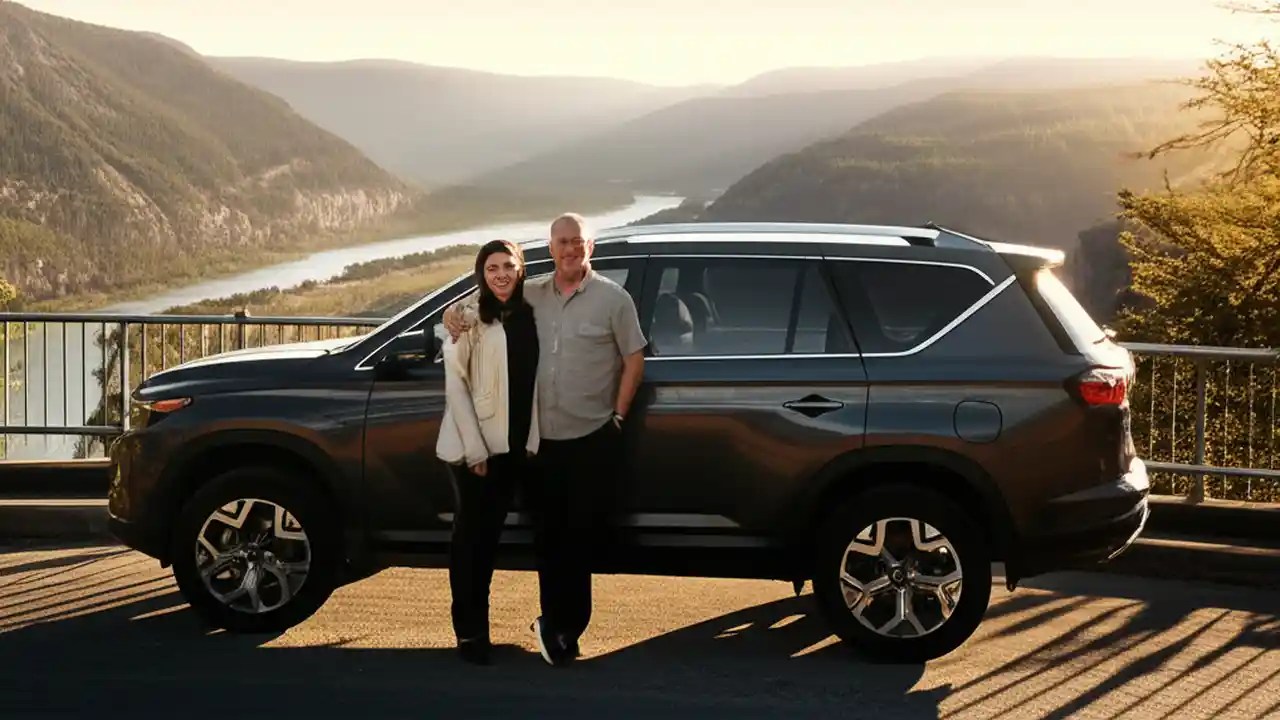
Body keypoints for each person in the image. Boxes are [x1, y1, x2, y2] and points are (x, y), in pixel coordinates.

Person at [443, 212, 646, 667]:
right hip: (536, 441)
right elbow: (480, 299)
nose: (570, 249)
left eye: (577, 241)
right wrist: (450, 314)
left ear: (589, 247)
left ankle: (564, 628)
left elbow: (634, 358)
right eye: (561, 242)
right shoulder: (531, 292)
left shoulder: (614, 299)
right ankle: (492, 632)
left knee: (574, 539)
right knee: (537, 538)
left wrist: (618, 415)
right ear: (550, 249)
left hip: (588, 436)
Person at [435, 238, 541, 666]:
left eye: (508, 266)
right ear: (481, 273)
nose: (501, 274)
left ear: (521, 270)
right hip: (474, 450)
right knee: (472, 543)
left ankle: (481, 627)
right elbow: (455, 386)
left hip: (515, 445)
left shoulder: (532, 312)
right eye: (492, 267)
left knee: (490, 540)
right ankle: (470, 633)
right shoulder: (467, 317)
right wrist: (475, 450)